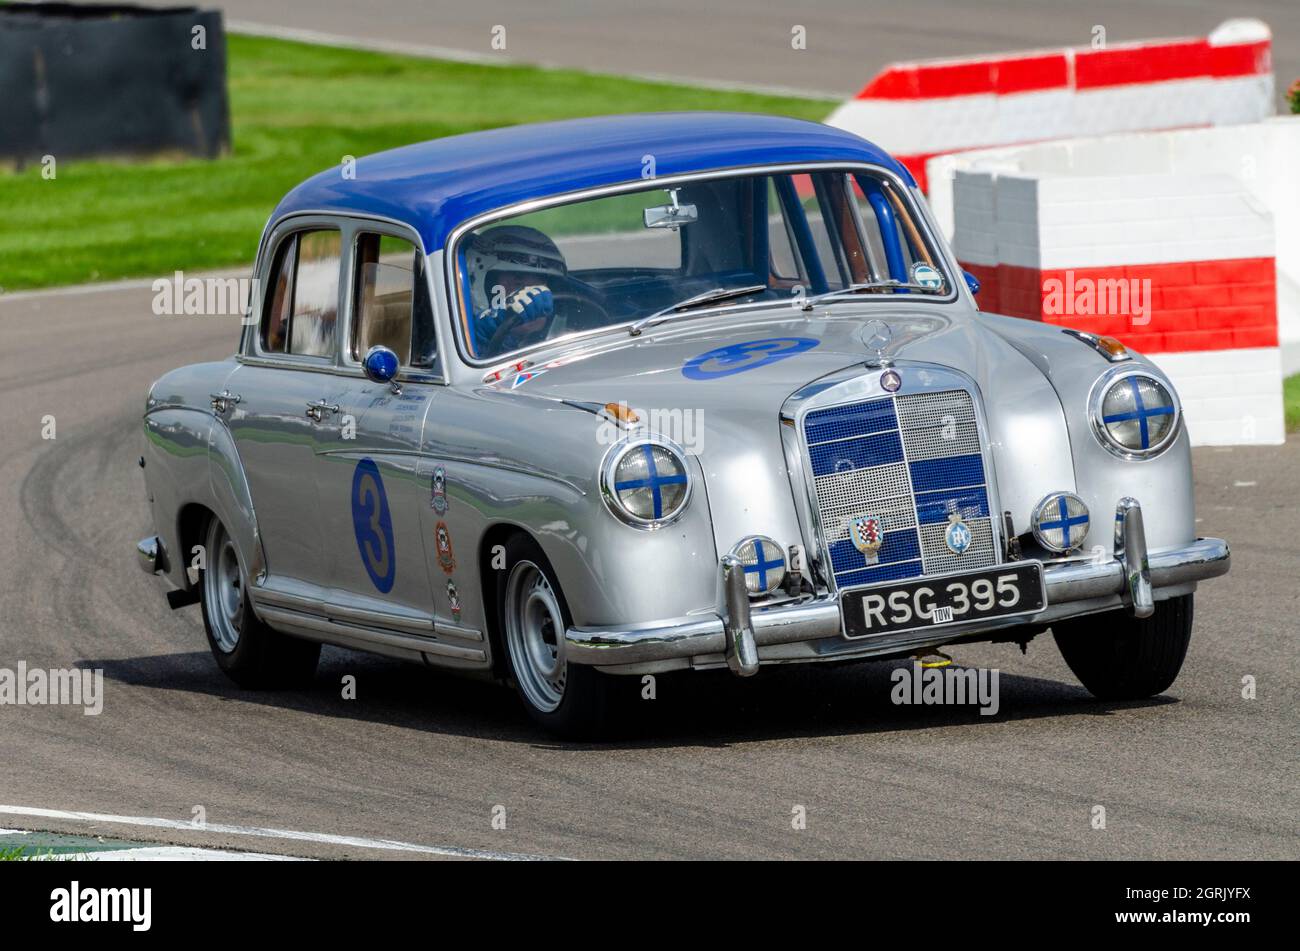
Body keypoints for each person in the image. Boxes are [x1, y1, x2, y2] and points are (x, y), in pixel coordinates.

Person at [463, 226, 567, 357]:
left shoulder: (569, 337)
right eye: (517, 276)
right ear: (484, 283)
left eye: (541, 278)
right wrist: (496, 322)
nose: (532, 290)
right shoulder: (463, 343)